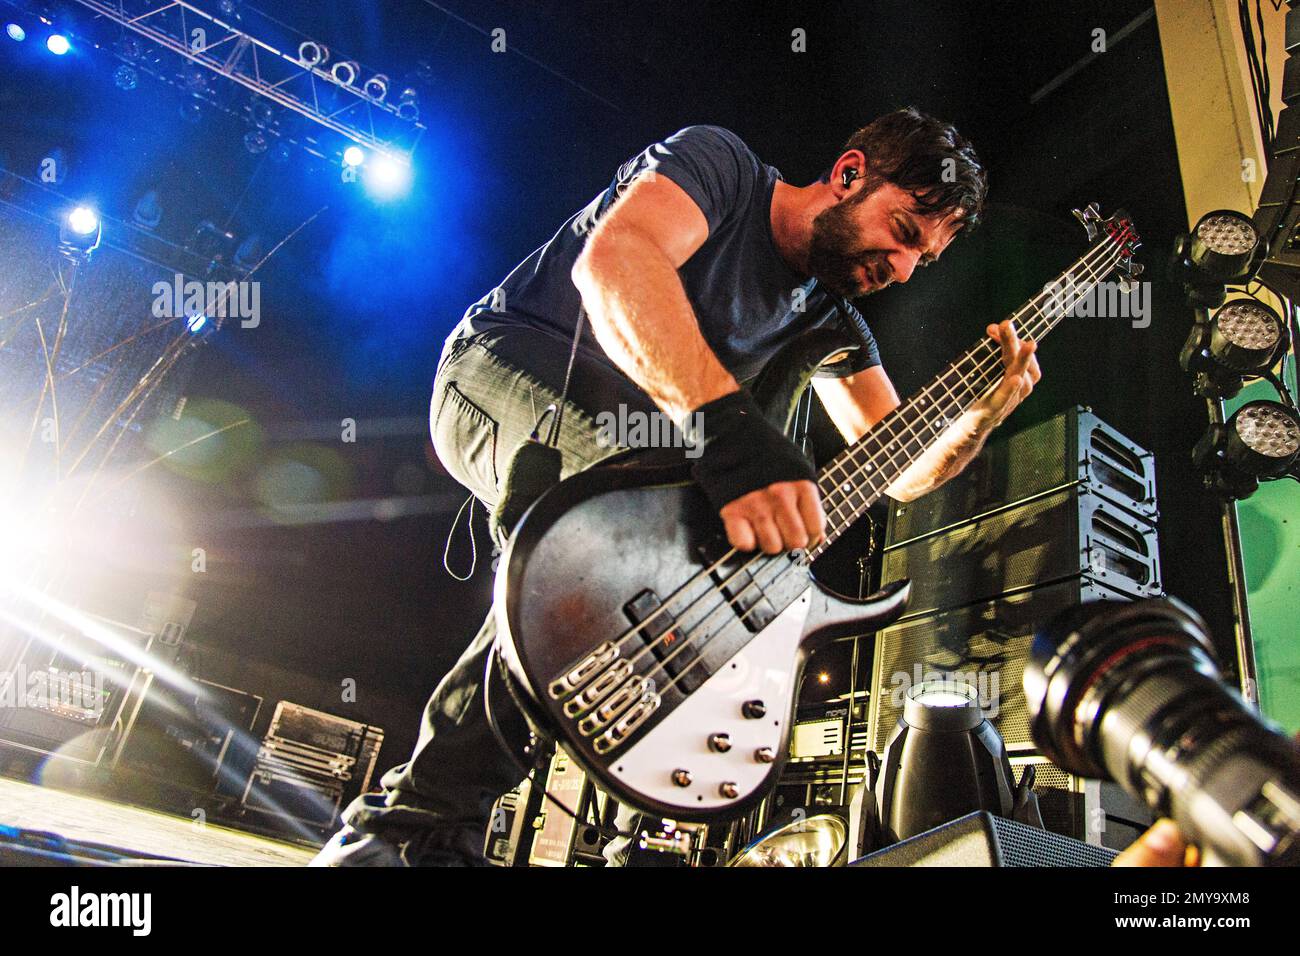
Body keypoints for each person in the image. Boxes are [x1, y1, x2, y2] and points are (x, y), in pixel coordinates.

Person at [313, 107, 1041, 866]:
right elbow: (617, 262)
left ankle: (417, 830)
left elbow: (898, 468)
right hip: (502, 372)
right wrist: (729, 433)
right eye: (904, 231)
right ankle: (408, 833)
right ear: (850, 175)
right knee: (631, 534)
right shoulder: (722, 167)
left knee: (628, 596)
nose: (902, 266)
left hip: (639, 467)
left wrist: (979, 418)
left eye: (923, 259)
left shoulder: (835, 323)